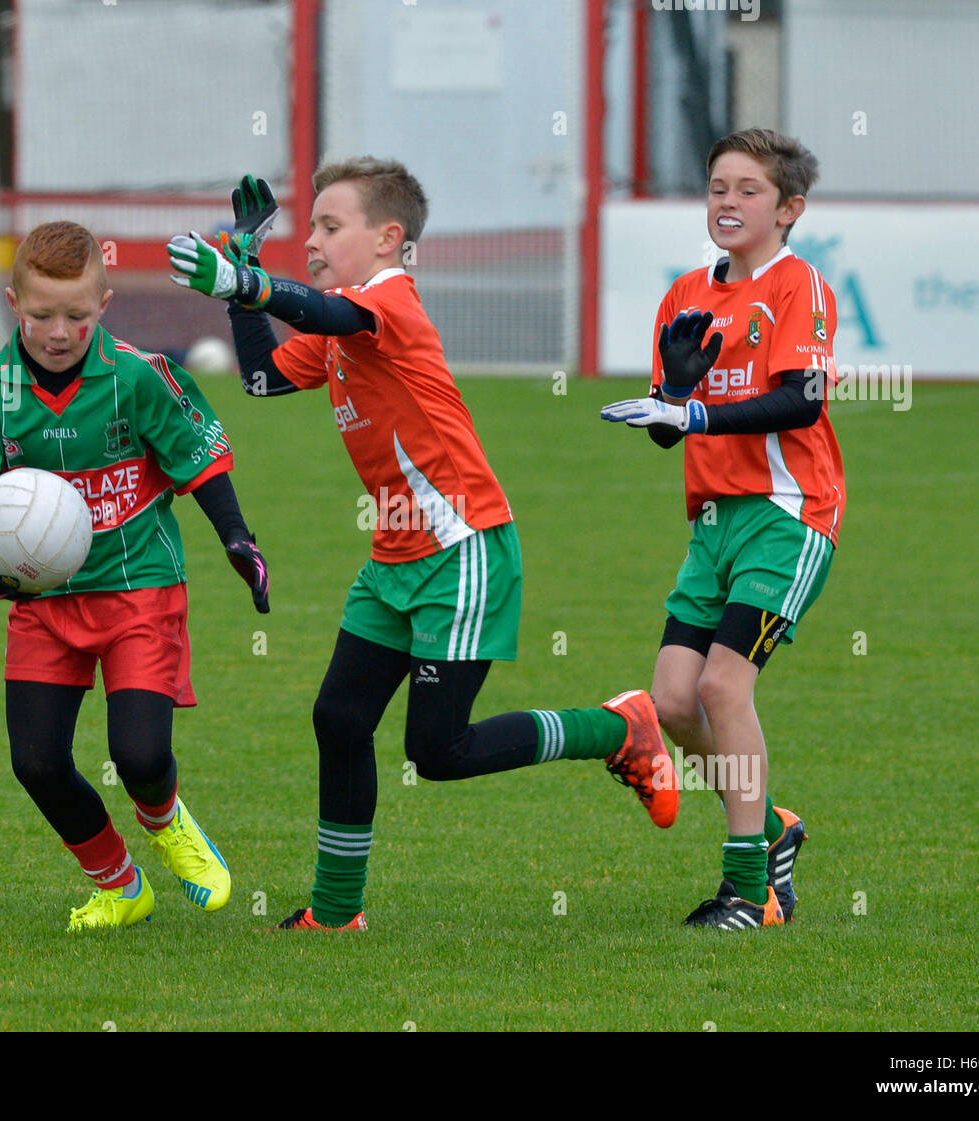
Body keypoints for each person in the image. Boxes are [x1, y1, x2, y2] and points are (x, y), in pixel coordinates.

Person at [167, 160, 677, 932]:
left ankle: (619, 727)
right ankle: (336, 912)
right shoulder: (339, 320)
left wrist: (248, 284)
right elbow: (264, 378)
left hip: (462, 549)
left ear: (388, 239)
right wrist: (241, 277)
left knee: (437, 750)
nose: (311, 241)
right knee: (340, 718)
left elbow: (325, 313)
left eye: (330, 226)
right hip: (395, 559)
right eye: (310, 227)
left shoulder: (388, 301)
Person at [0, 221, 270, 931]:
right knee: (36, 762)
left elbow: (198, 456)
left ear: (104, 305)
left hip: (138, 586)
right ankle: (121, 886)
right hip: (42, 598)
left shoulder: (137, 376)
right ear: (13, 303)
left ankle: (167, 819)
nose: (59, 333)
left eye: (78, 316)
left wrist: (237, 538)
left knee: (140, 755)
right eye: (41, 315)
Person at [600, 128, 845, 929]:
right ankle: (770, 824)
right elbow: (666, 430)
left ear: (789, 208)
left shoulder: (799, 285)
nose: (728, 202)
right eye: (717, 188)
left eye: (748, 190)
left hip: (787, 514)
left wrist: (695, 410)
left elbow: (802, 400)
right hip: (711, 522)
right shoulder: (684, 293)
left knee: (721, 686)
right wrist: (673, 393)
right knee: (674, 700)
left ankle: (750, 891)